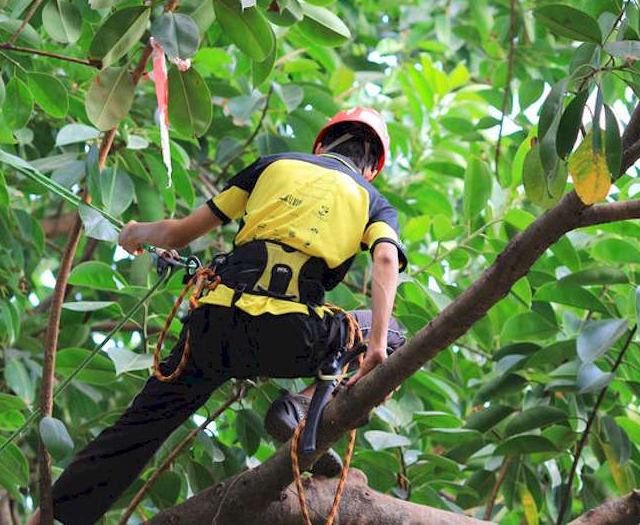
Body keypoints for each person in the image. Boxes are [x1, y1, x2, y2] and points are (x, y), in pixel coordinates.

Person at [27, 107, 407, 525]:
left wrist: (134, 232)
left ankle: (53, 518)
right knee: (391, 332)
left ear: (321, 144)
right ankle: (297, 409)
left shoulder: (272, 166)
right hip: (293, 336)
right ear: (371, 168)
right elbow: (386, 257)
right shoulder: (373, 201)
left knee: (138, 429)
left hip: (215, 327)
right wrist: (373, 350)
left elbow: (176, 234)